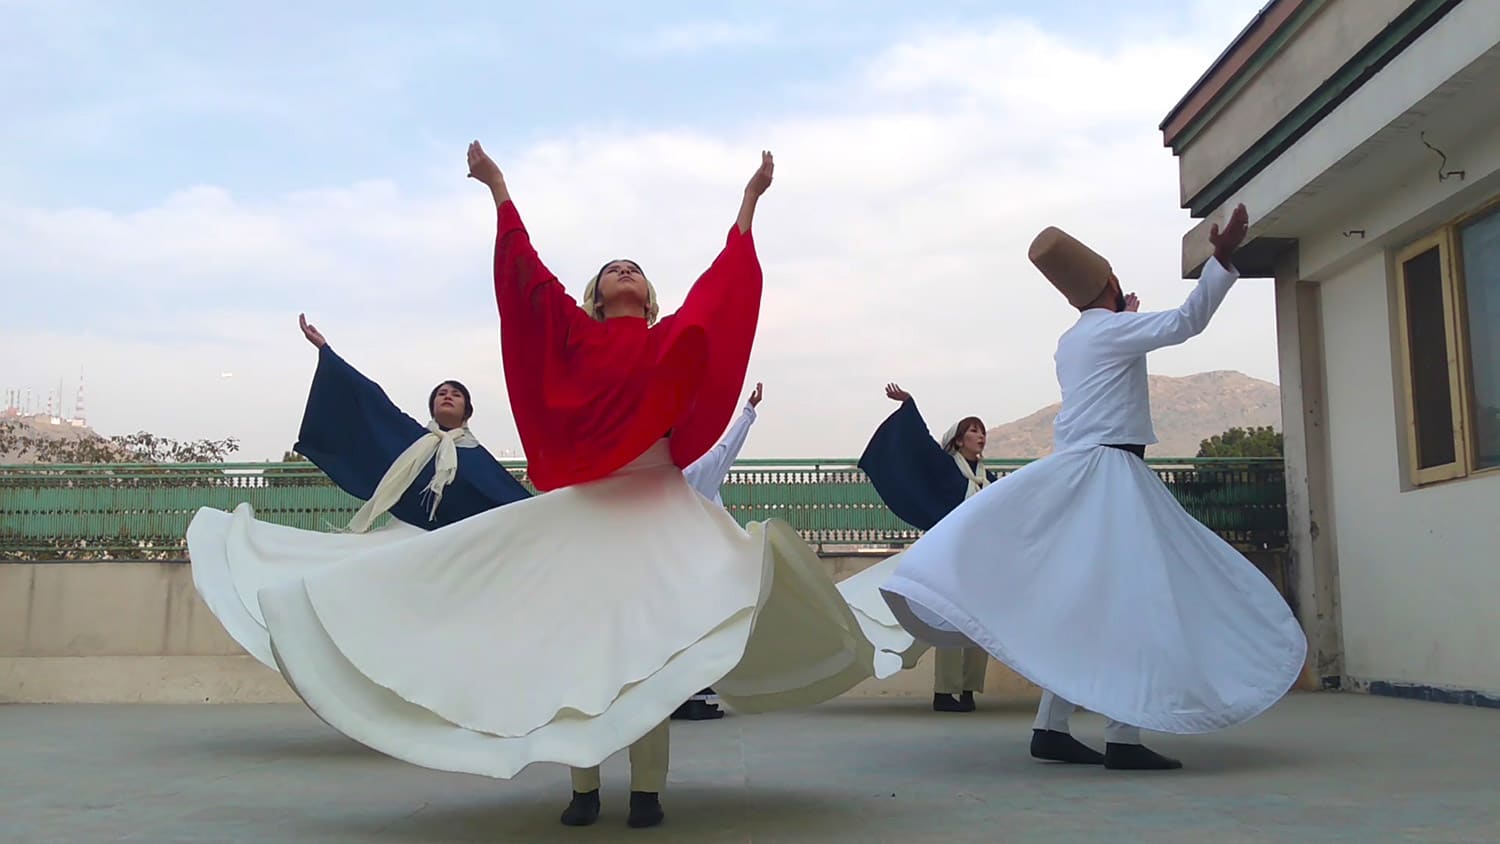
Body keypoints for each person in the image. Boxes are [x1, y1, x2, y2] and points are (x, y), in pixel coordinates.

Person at [253, 142, 877, 830]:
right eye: (612, 269)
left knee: (649, 662)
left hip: (659, 511)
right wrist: (497, 188)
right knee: (585, 657)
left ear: (648, 294)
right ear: (595, 294)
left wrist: (751, 200)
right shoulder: (574, 337)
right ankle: (584, 787)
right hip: (589, 512)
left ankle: (646, 792)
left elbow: (722, 288)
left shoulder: (671, 338)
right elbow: (527, 282)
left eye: (634, 268)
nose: (623, 271)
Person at [880, 204, 1307, 770]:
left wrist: (1120, 316)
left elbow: (1111, 348)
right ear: (1112, 281)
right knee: (1132, 600)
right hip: (1111, 475)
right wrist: (1221, 260)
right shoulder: (1115, 331)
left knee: (1089, 602)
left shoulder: (1074, 339)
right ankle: (1124, 736)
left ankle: (1052, 727)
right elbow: (1186, 322)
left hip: (1083, 469)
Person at [186, 318, 531, 670]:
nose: (447, 395)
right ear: (431, 406)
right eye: (441, 392)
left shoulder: (476, 455)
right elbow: (370, 400)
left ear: (467, 410)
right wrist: (326, 352)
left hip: (457, 555)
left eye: (456, 393)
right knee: (344, 582)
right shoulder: (411, 439)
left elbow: (509, 499)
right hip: (408, 540)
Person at [841, 383, 998, 712]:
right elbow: (922, 445)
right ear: (959, 440)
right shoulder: (947, 470)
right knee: (952, 622)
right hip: (949, 559)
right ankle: (945, 692)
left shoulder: (990, 479)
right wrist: (910, 405)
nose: (980, 436)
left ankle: (968, 689)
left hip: (980, 562)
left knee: (980, 625)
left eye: (982, 431)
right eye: (973, 430)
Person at [674, 382, 764, 721]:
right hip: (701, 565)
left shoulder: (669, 472)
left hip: (675, 561)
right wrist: (748, 413)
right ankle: (692, 698)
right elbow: (727, 448)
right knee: (701, 631)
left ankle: (684, 696)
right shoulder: (696, 471)